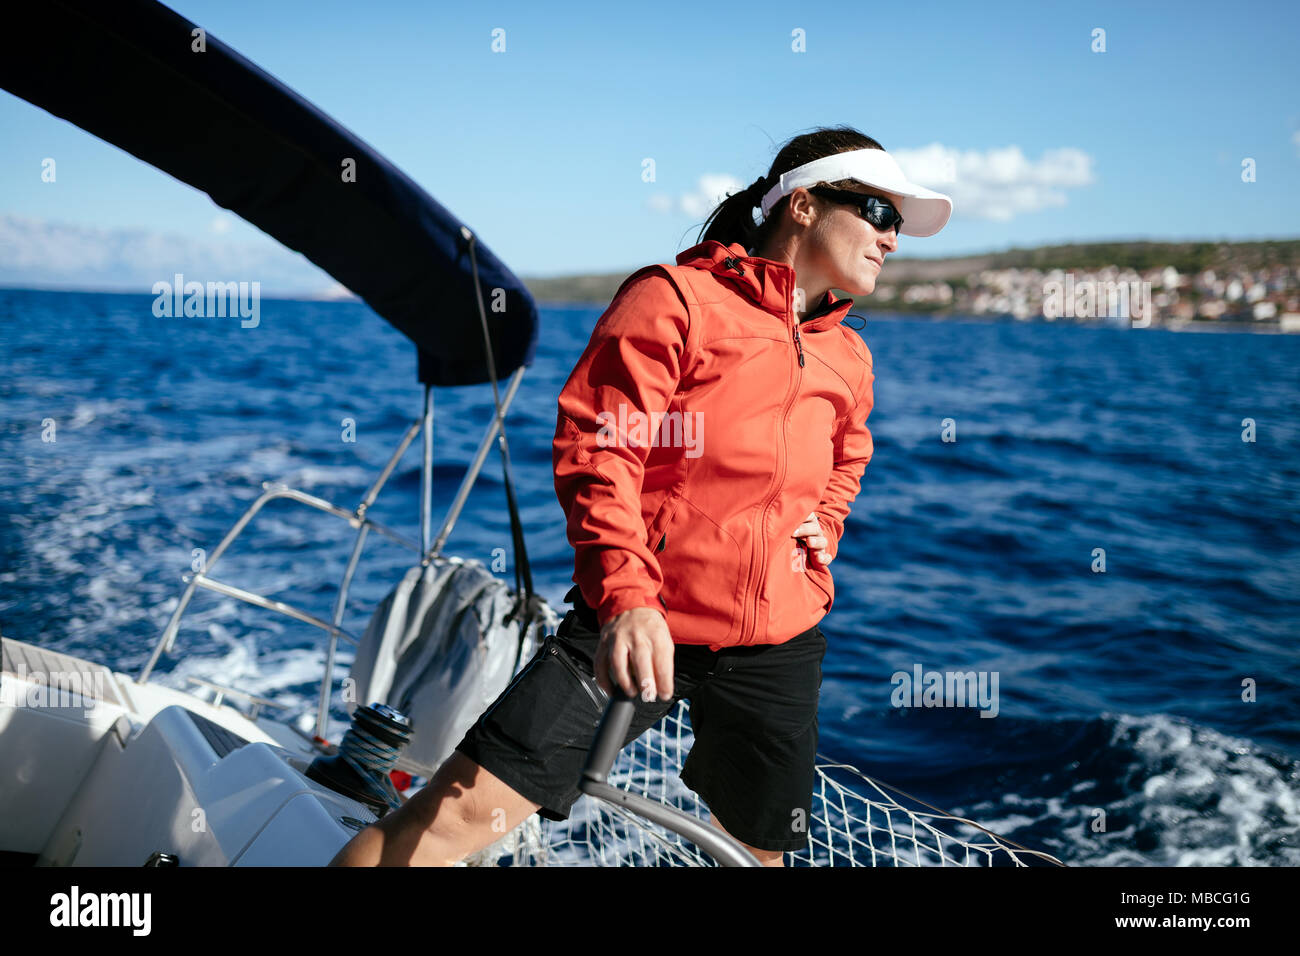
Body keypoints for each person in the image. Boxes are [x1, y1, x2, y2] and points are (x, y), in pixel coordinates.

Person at [329, 125, 952, 868]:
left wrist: (824, 527)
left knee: (760, 859)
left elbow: (848, 453)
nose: (891, 239)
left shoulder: (848, 354)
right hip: (644, 613)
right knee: (453, 821)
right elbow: (599, 446)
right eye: (880, 214)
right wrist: (627, 599)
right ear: (806, 204)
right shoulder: (677, 300)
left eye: (899, 227)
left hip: (776, 642)